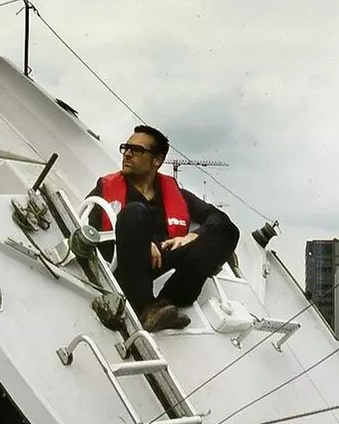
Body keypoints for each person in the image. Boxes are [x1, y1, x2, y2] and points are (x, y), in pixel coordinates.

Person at [86, 125, 239, 332]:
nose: (128, 154)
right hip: (123, 260)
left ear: (157, 160)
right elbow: (89, 230)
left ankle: (168, 303)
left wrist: (192, 236)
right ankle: (144, 307)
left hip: (163, 256)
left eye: (137, 150)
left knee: (228, 230)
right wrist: (139, 240)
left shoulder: (175, 193)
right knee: (135, 212)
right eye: (126, 148)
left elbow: (218, 217)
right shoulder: (105, 187)